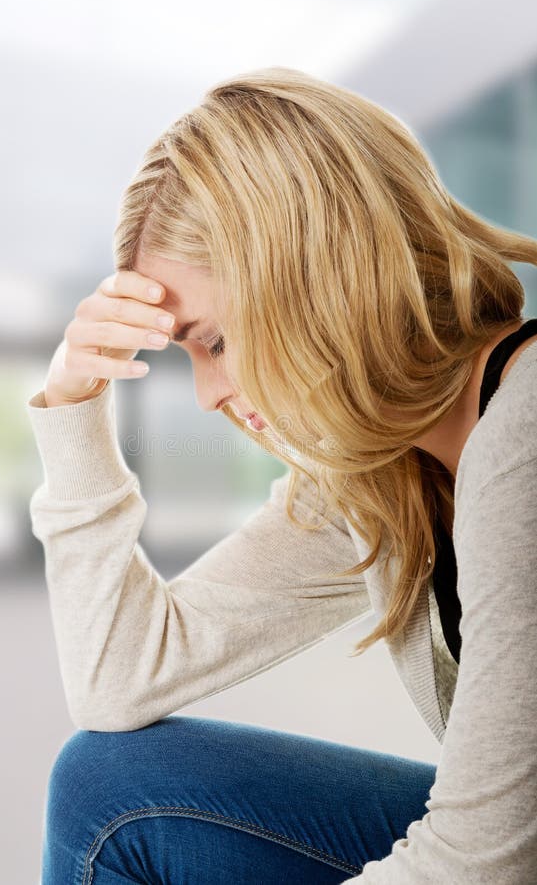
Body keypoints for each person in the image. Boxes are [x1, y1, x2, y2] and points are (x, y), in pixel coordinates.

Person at [26, 68, 537, 883]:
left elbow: (479, 868)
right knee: (111, 788)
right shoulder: (377, 475)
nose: (207, 395)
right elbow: (120, 682)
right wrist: (73, 407)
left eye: (217, 342)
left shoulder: (524, 437)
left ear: (316, 278)